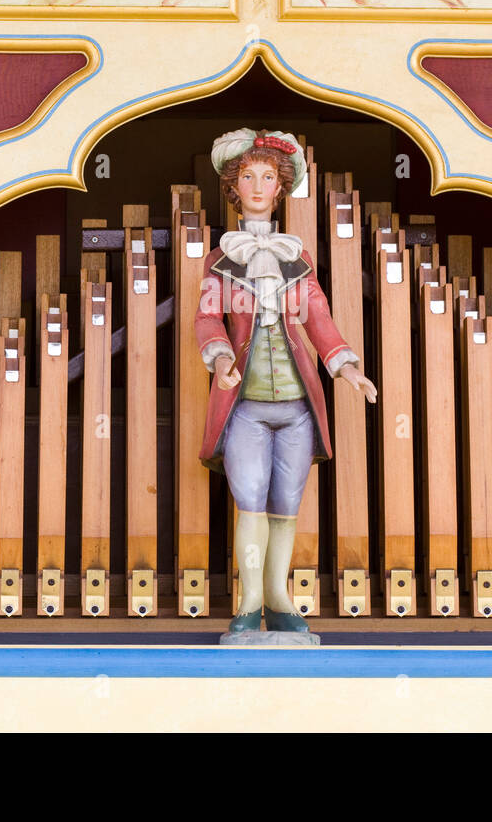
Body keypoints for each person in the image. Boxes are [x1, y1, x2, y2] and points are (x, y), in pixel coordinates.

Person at [196, 128, 377, 634]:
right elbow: (207, 318)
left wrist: (345, 366)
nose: (258, 185)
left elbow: (318, 317)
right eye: (249, 176)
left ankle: (278, 597)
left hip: (298, 404)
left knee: (285, 504)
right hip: (245, 405)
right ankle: (249, 602)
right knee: (249, 498)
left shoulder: (298, 260)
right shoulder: (220, 259)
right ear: (235, 186)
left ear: (280, 187)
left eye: (268, 177)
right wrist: (220, 357)